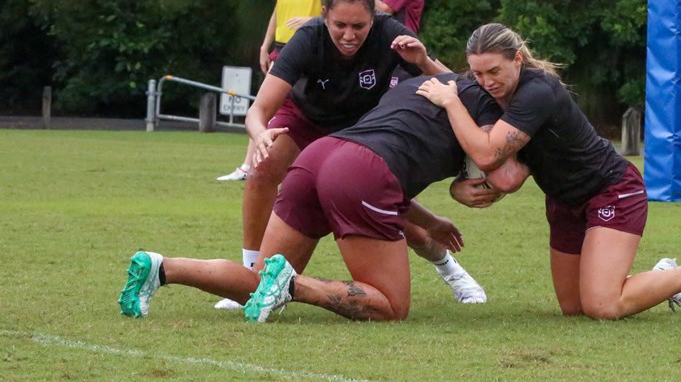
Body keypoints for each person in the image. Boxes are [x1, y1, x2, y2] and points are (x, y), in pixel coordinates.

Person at [119, 73, 521, 322]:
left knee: (258, 284)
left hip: (320, 155)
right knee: (392, 308)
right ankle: (292, 286)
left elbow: (382, 181)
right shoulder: (478, 105)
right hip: (359, 171)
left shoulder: (420, 85)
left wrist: (432, 223)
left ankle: (162, 268)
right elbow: (498, 166)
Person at [215, 0, 486, 309]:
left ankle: (449, 268)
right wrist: (259, 133)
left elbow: (458, 87)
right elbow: (259, 110)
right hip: (305, 119)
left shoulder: (391, 33)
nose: (349, 35)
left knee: (388, 207)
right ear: (323, 15)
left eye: (359, 26)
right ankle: (251, 273)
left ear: (374, 18)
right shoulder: (307, 38)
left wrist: (423, 62)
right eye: (339, 25)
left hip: (360, 131)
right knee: (263, 169)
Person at [415, 23, 681, 323]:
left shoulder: (536, 92)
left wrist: (450, 103)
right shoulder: (499, 91)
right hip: (564, 201)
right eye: (478, 72)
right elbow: (470, 90)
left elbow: (486, 153)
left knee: (602, 306)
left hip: (611, 190)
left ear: (517, 59)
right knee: (574, 307)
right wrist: (425, 62)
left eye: (494, 71)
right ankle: (663, 277)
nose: (486, 82)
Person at [218, 0, 327, 182]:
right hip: (281, 50)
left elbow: (332, 17)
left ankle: (306, 166)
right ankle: (248, 166)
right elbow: (277, 12)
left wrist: (309, 22)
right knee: (265, 105)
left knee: (303, 107)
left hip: (307, 52)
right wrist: (265, 45)